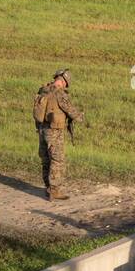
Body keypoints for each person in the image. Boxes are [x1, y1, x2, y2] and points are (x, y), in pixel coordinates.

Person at [32, 68, 85, 201]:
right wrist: (80, 117)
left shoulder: (43, 90)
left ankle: (48, 187)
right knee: (57, 160)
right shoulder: (60, 94)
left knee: (46, 160)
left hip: (41, 129)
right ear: (64, 82)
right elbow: (70, 110)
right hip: (54, 131)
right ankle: (54, 190)